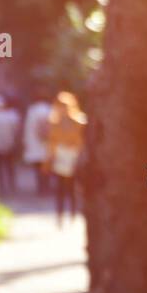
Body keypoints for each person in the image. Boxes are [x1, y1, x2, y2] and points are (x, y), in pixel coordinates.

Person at [46, 92, 87, 227]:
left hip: (73, 157)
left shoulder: (79, 121)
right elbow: (52, 142)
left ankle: (73, 215)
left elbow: (82, 140)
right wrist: (49, 159)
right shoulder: (54, 122)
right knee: (60, 189)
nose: (62, 108)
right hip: (60, 157)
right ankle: (60, 217)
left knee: (72, 188)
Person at [0, 95, 21, 196]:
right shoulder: (13, 115)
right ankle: (12, 185)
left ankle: (2, 186)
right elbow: (17, 130)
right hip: (10, 143)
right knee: (9, 166)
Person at [23, 96, 53, 194]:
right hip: (46, 145)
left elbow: (27, 129)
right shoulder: (49, 109)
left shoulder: (31, 111)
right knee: (46, 170)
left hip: (34, 145)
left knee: (37, 169)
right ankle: (46, 187)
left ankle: (40, 188)